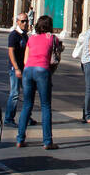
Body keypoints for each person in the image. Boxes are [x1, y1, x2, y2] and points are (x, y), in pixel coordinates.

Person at [16, 14, 60, 150]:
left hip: (28, 70)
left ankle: (20, 139)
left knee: (27, 105)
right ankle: (47, 141)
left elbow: (25, 60)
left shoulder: (32, 38)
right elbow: (56, 58)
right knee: (45, 106)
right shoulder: (53, 38)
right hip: (42, 71)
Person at [6, 11, 30, 127]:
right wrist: (16, 68)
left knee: (27, 93)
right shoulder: (14, 35)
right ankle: (9, 118)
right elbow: (11, 52)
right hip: (15, 68)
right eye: (22, 21)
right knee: (14, 94)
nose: (25, 23)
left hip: (25, 68)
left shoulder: (25, 35)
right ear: (17, 22)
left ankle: (27, 117)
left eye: (26, 21)